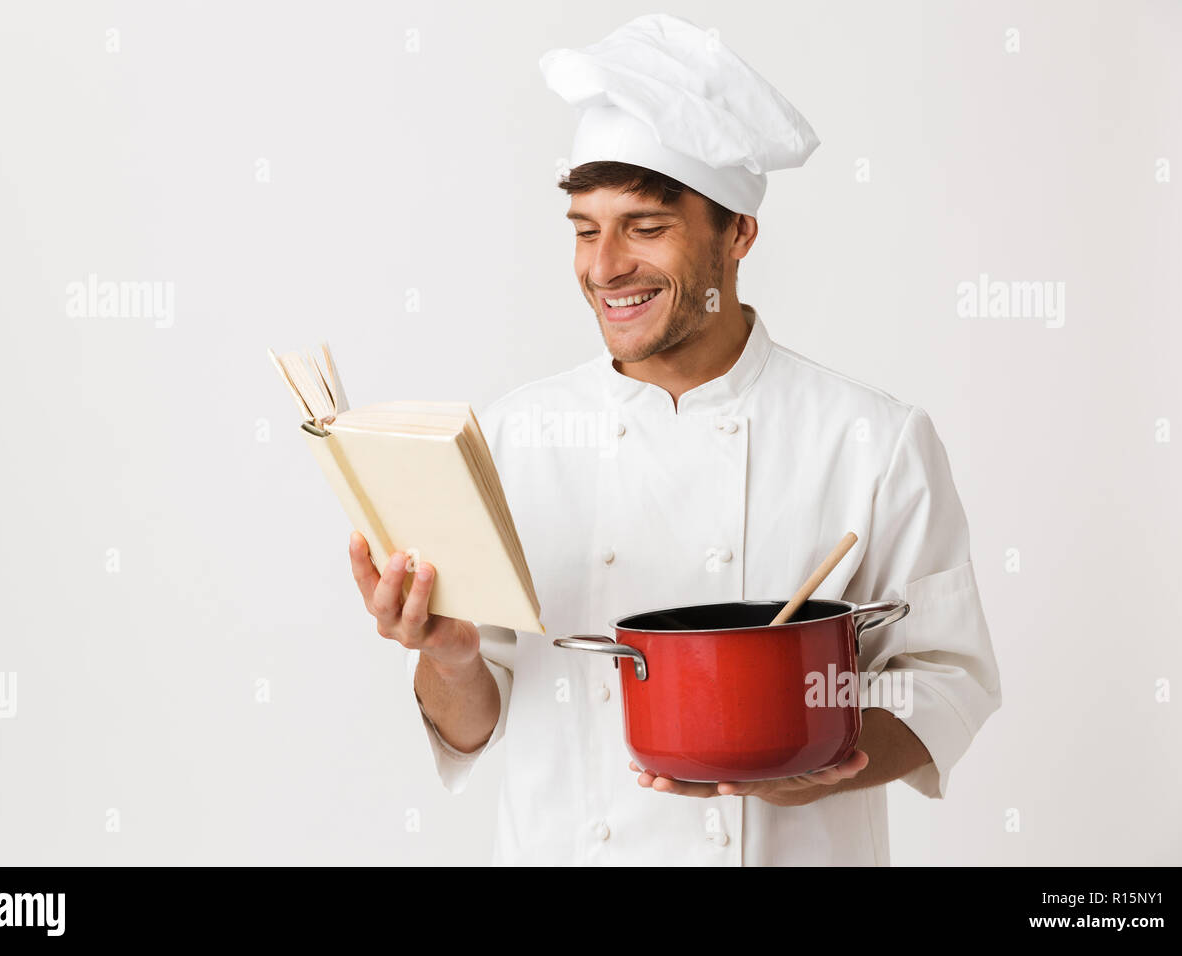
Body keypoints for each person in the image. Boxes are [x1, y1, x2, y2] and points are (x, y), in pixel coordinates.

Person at [349, 13, 1001, 865]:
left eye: (646, 228)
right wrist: (451, 657)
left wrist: (821, 757)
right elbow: (472, 724)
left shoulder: (870, 439)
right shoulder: (511, 438)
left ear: (737, 234)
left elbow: (946, 681)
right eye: (585, 229)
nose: (605, 265)